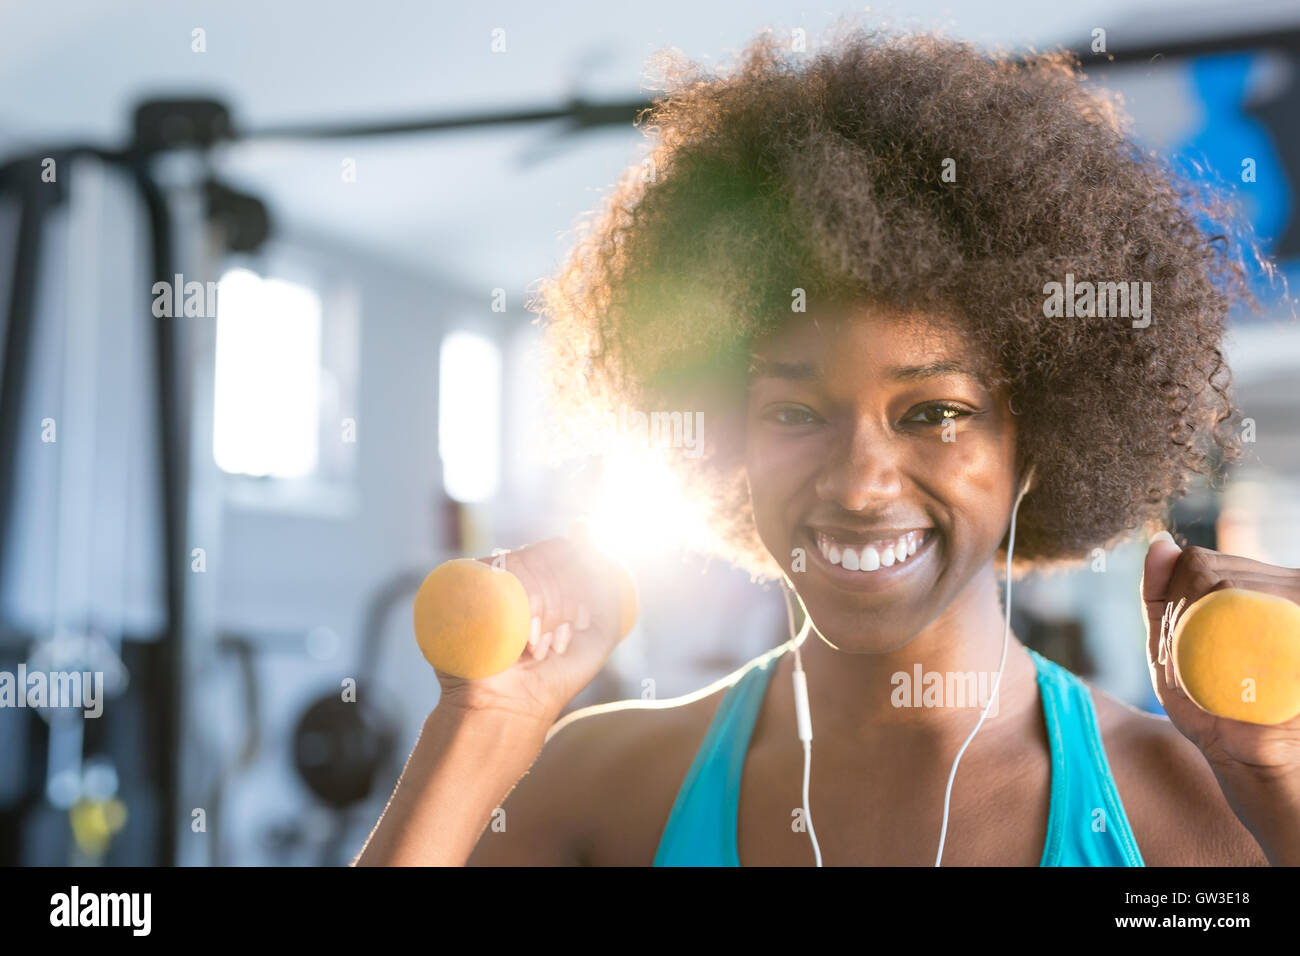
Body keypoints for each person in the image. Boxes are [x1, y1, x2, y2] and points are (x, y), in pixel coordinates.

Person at [355, 29, 1300, 866]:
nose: (857, 479)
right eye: (796, 413)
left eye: (934, 412)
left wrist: (1288, 789)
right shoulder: (606, 788)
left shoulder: (1199, 815)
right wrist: (484, 723)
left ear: (1039, 439)